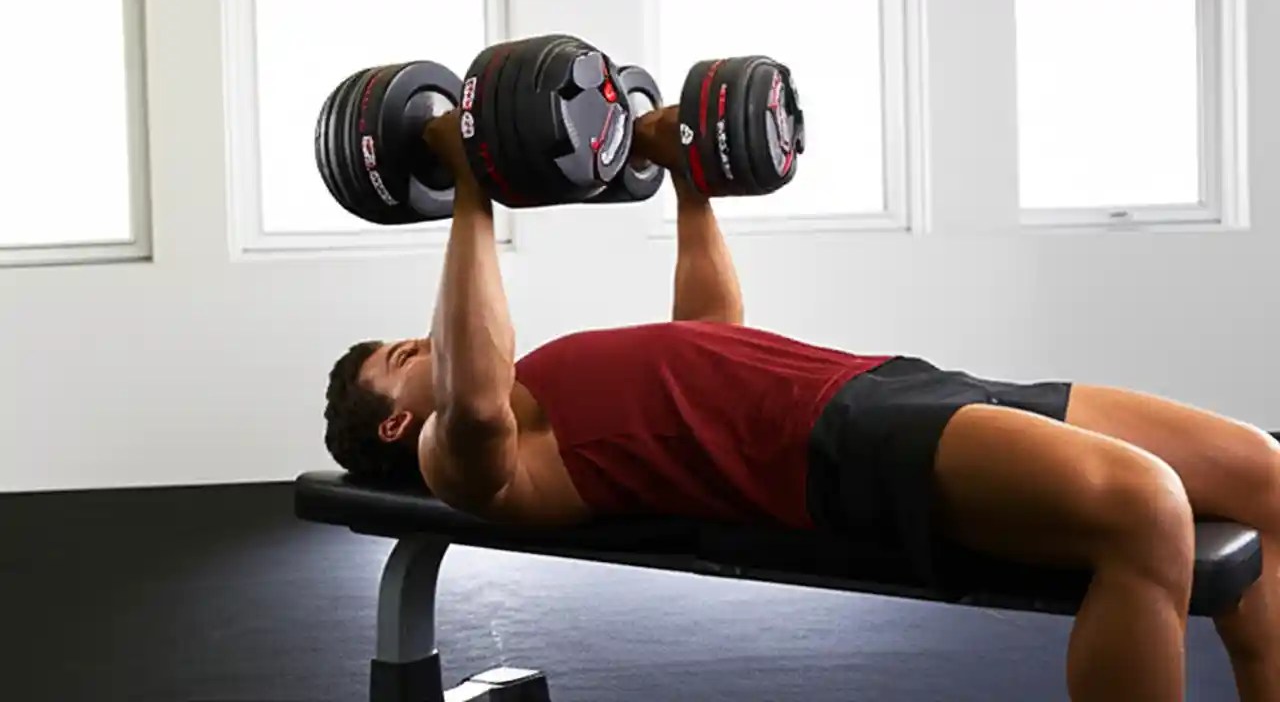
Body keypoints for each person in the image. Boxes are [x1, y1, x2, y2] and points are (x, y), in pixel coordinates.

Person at [322, 105, 1280, 702]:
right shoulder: (461, 453)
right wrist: (470, 192)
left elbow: (714, 330)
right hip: (831, 443)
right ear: (398, 421)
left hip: (893, 382)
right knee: (1144, 511)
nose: (422, 342)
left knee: (1263, 474)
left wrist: (688, 180)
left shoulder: (542, 383)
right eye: (399, 357)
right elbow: (477, 393)